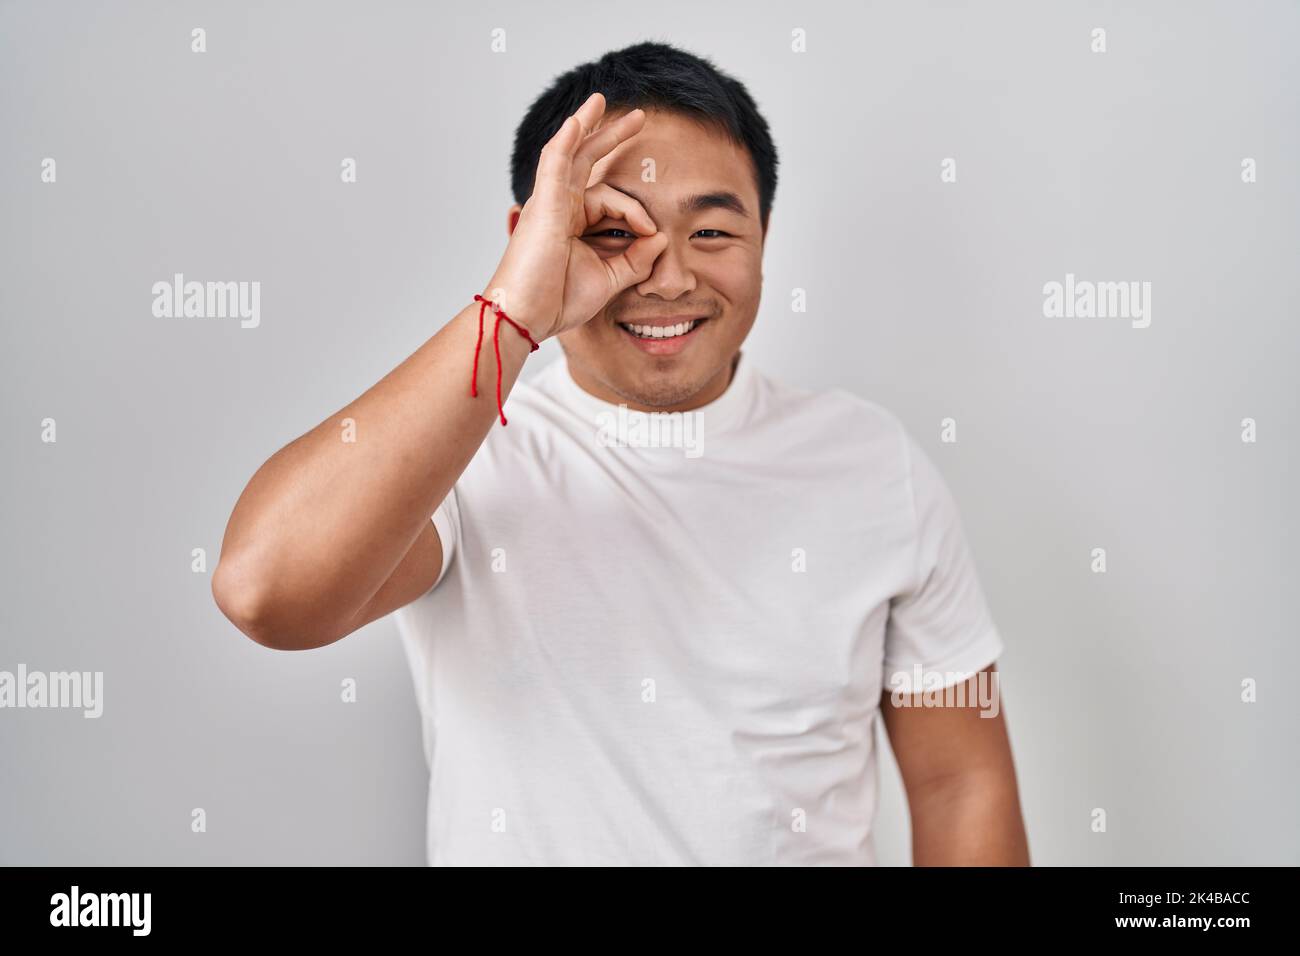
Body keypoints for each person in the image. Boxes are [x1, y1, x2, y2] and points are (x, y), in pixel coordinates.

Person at [213, 41, 1030, 866]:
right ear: (527, 238)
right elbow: (265, 591)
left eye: (711, 229)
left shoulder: (873, 465)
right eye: (611, 231)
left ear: (766, 234)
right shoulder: (462, 459)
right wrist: (515, 308)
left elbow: (959, 784)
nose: (668, 278)